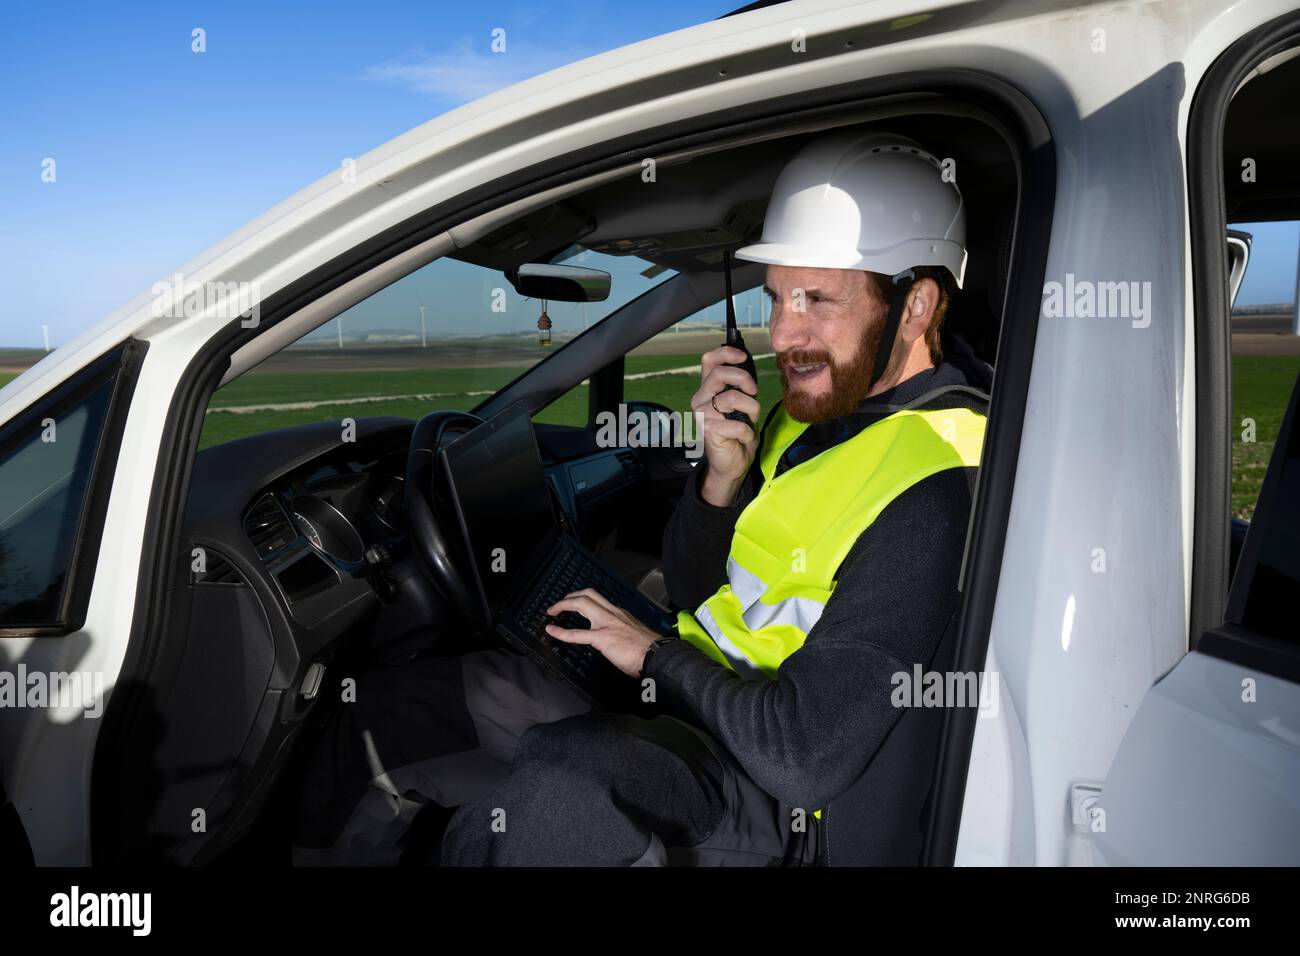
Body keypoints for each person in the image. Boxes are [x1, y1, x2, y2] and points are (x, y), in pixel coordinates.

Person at [292, 130, 989, 866]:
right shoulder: (812, 416)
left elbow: (804, 758)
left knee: (561, 794)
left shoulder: (939, 487)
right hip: (694, 700)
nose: (784, 331)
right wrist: (721, 478)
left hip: (766, 795)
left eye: (818, 299)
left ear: (916, 307)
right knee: (399, 712)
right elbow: (699, 589)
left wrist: (651, 656)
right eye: (778, 296)